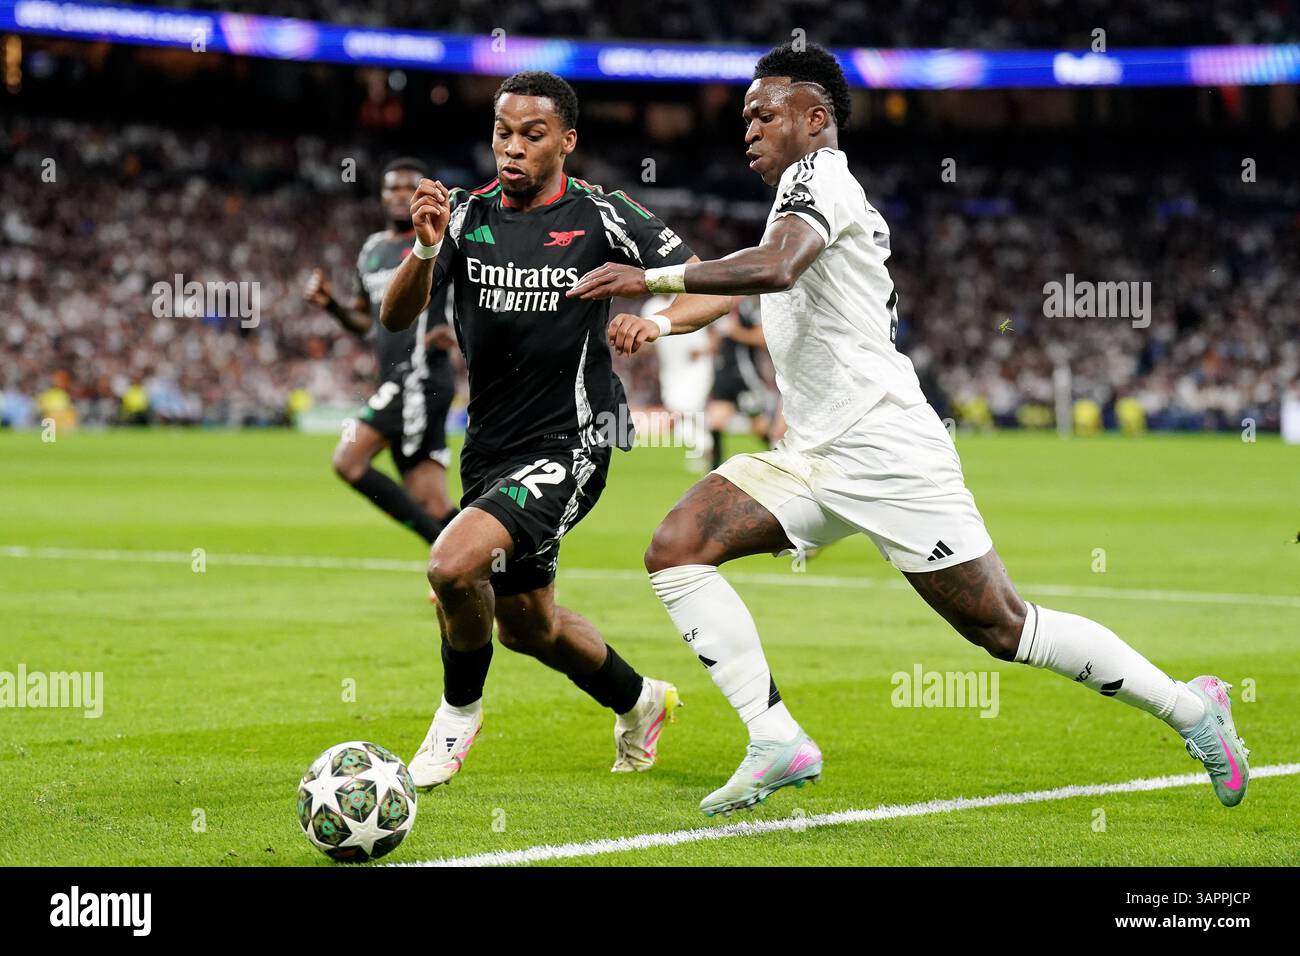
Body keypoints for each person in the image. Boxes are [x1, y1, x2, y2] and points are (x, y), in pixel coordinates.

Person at [571, 42, 1249, 816]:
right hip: (817, 452)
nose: (748, 130)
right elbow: (751, 271)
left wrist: (650, 277)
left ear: (815, 119)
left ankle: (1195, 711)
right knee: (678, 548)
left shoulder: (822, 176)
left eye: (764, 114)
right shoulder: (797, 193)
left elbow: (775, 267)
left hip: (887, 448)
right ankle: (774, 738)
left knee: (1001, 627)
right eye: (745, 118)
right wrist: (660, 323)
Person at [381, 72, 731, 787]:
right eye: (503, 133)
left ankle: (455, 718)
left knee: (452, 564)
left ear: (566, 142)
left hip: (574, 440)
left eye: (531, 135)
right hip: (490, 448)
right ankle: (640, 700)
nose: (512, 147)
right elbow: (395, 318)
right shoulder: (465, 215)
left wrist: (656, 317)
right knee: (526, 626)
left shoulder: (605, 215)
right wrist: (422, 250)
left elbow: (712, 286)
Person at [304, 157, 458, 548]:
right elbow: (367, 320)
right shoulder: (372, 249)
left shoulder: (435, 241)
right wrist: (332, 306)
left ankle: (443, 558)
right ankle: (486, 574)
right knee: (431, 499)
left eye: (409, 188)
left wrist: (456, 329)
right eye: (392, 188)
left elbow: (475, 290)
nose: (399, 195)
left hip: (419, 375)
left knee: (348, 460)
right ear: (382, 193)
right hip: (396, 379)